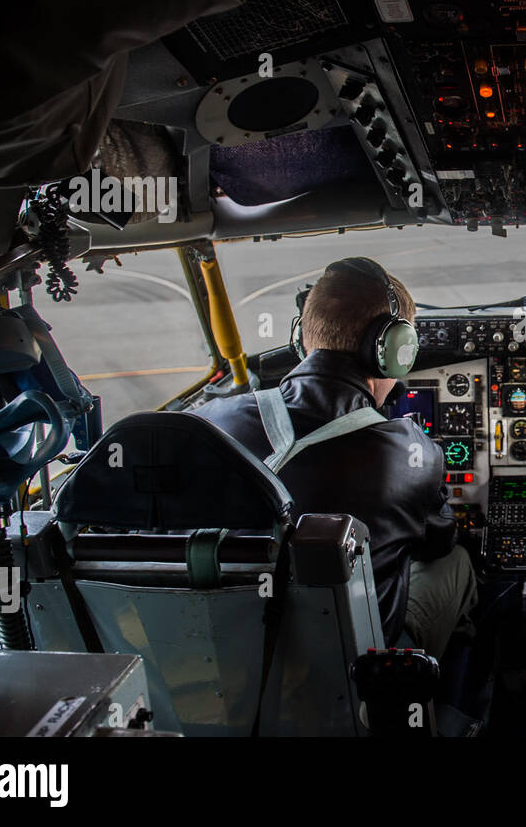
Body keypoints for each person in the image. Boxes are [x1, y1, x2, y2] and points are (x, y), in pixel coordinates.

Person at [196, 257, 477, 655]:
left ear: (300, 340)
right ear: (395, 352)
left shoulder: (207, 422)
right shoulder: (411, 454)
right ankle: (447, 681)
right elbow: (439, 539)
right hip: (350, 663)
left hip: (220, 656)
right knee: (457, 562)